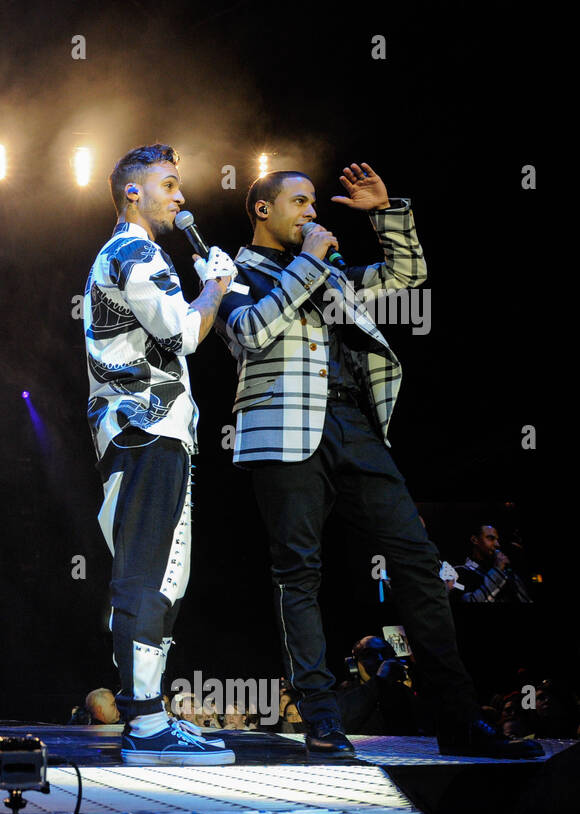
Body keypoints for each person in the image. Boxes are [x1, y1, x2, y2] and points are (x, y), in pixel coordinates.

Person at [217, 163, 541, 759]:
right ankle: (320, 721)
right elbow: (246, 333)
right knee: (299, 575)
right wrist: (310, 264)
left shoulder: (335, 269)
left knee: (419, 559)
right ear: (263, 210)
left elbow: (407, 276)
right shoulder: (232, 268)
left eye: (315, 202)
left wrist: (386, 216)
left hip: (353, 421)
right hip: (284, 430)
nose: (313, 212)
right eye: (299, 202)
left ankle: (460, 720)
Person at [82, 144, 235, 764]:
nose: (181, 196)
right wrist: (217, 286)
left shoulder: (140, 252)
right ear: (133, 192)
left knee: (167, 575)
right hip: (143, 429)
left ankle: (150, 715)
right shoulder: (133, 250)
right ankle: (144, 723)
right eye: (168, 184)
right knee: (149, 573)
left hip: (155, 430)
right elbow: (183, 333)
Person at [456, 525, 532, 603]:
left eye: (497, 540)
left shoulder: (506, 570)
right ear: (475, 540)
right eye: (491, 538)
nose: (497, 544)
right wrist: (497, 570)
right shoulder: (459, 572)